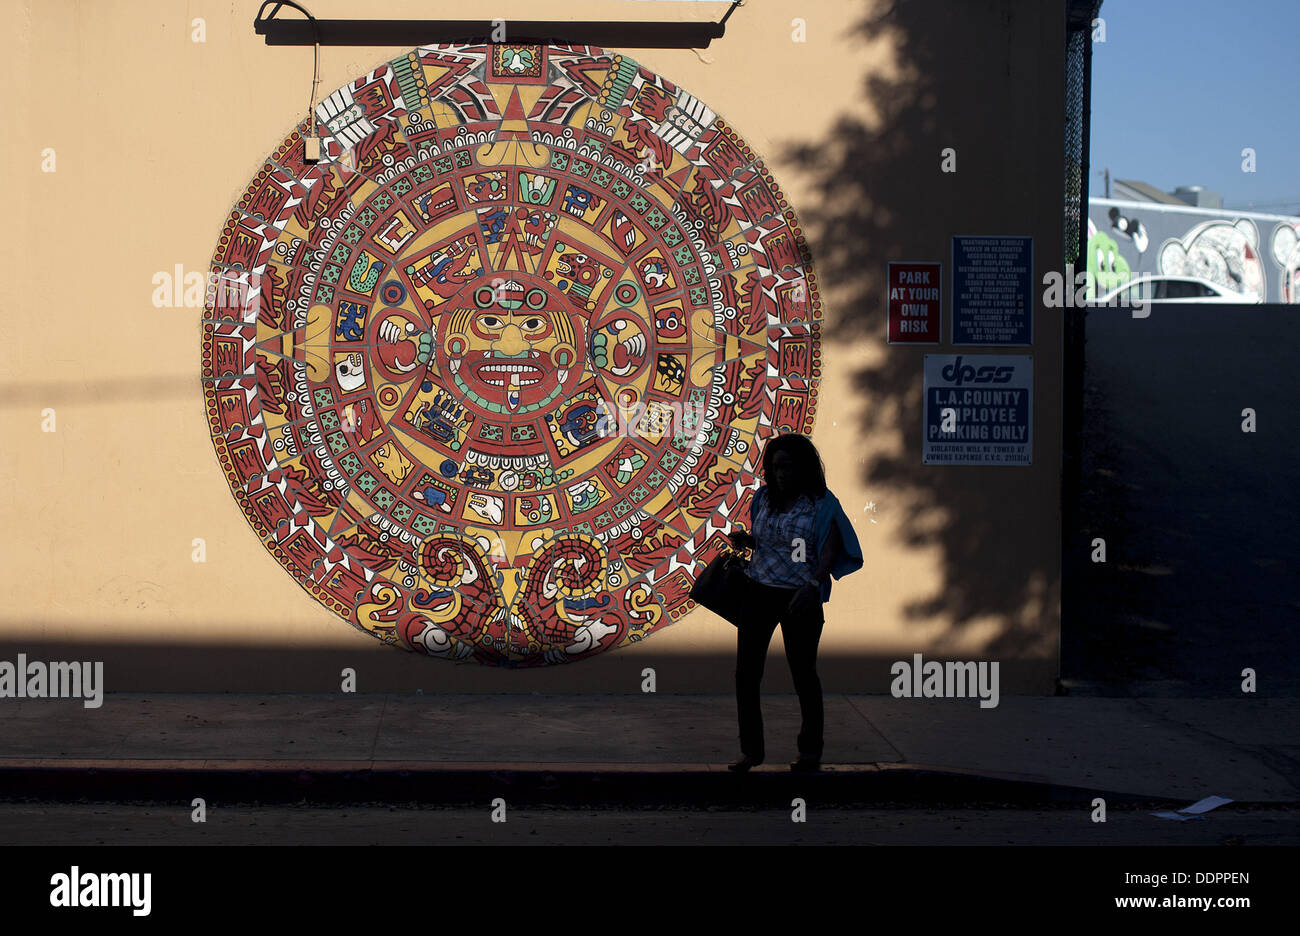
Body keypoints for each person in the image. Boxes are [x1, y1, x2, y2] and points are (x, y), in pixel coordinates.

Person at [725, 433, 863, 773]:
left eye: (788, 466)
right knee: (746, 673)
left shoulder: (821, 504)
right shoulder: (763, 499)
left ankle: (810, 752)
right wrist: (748, 541)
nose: (782, 473)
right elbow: (770, 542)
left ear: (803, 468)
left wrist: (814, 584)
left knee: (803, 674)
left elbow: (828, 551)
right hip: (758, 592)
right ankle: (751, 751)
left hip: (800, 597)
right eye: (776, 467)